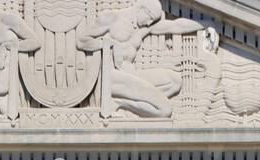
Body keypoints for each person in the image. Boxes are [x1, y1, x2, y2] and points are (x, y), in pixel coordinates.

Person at [77, 0, 206, 118]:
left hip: (131, 74)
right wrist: (106, 44)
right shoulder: (112, 18)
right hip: (112, 76)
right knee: (165, 110)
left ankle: (127, 101)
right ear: (141, 9)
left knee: (175, 81)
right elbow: (81, 41)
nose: (150, 22)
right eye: (149, 17)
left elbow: (175, 26)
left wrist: (206, 23)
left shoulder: (144, 27)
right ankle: (122, 103)